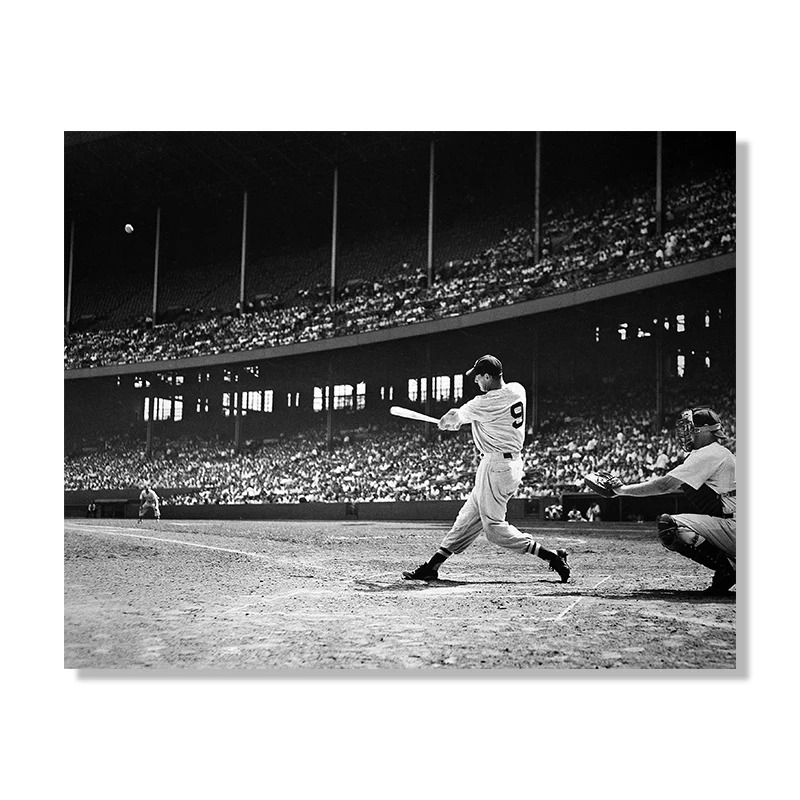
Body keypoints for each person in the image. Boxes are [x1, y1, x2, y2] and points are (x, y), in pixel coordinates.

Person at [402, 355, 570, 583]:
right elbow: (471, 418)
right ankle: (432, 567)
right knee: (467, 516)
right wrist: (457, 420)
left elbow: (453, 417)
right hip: (505, 464)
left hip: (496, 466)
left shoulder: (482, 403)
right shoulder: (517, 389)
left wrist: (445, 422)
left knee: (493, 528)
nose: (476, 382)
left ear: (488, 377)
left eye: (478, 377)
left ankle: (552, 556)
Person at [607, 407, 735, 595]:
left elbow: (664, 485)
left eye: (691, 428)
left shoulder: (710, 453)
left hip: (735, 527)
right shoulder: (719, 452)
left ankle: (729, 569)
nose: (686, 433)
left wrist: (621, 490)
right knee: (688, 489)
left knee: (670, 526)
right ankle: (731, 563)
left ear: (705, 430)